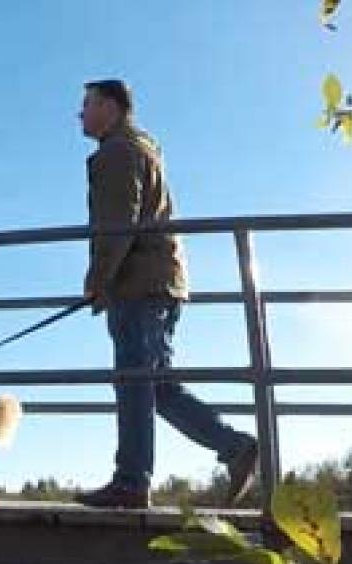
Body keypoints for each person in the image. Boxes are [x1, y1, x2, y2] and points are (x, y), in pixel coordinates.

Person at [75, 79, 258, 510]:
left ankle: (132, 481)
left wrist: (98, 280)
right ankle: (234, 447)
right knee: (157, 386)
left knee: (135, 382)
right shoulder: (140, 147)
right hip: (159, 279)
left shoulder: (117, 152)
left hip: (139, 283)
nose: (79, 113)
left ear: (111, 106)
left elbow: (118, 222)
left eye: (86, 104)